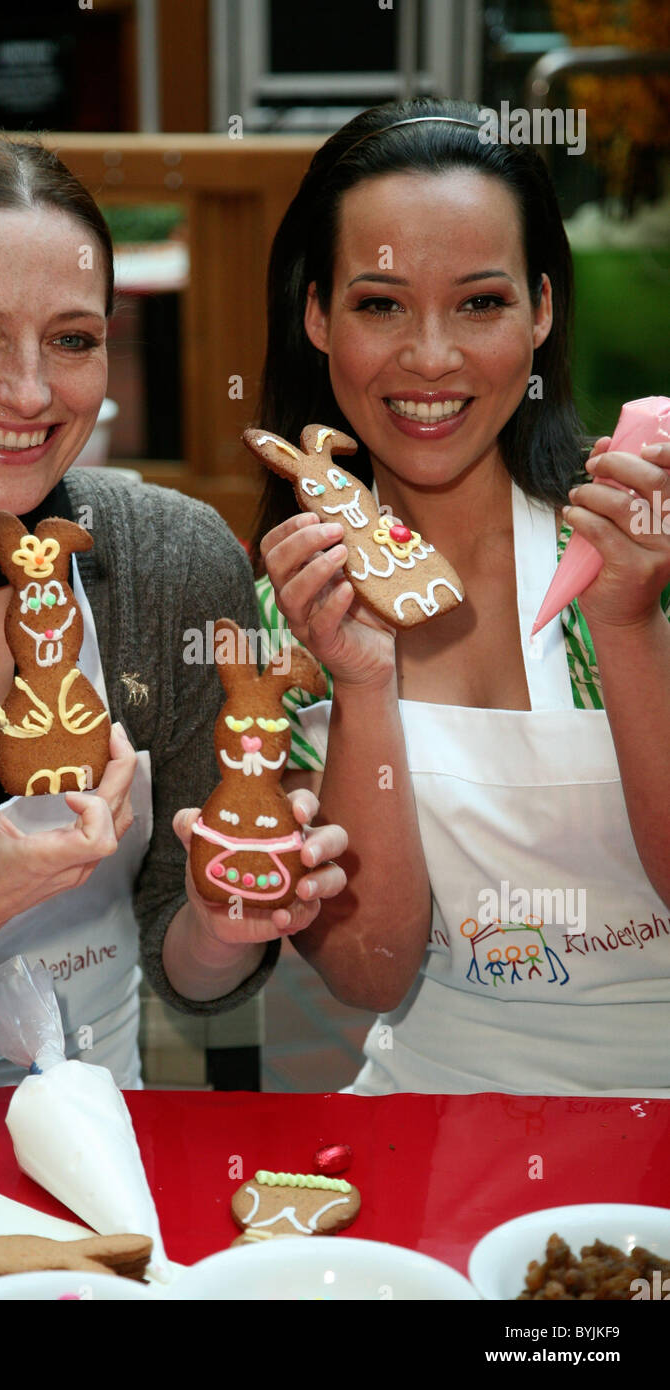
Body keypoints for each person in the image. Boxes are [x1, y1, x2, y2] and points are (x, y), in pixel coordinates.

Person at [0, 132, 347, 1088]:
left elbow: (190, 974)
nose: (29, 390)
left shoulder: (173, 565)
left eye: (73, 340)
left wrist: (228, 924)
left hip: (102, 1151)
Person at [255, 97, 670, 1097]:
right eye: (379, 304)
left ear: (540, 308)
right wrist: (361, 687)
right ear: (316, 316)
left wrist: (623, 622)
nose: (429, 358)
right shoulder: (288, 609)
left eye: (478, 303)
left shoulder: (640, 538)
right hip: (435, 1109)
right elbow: (364, 975)